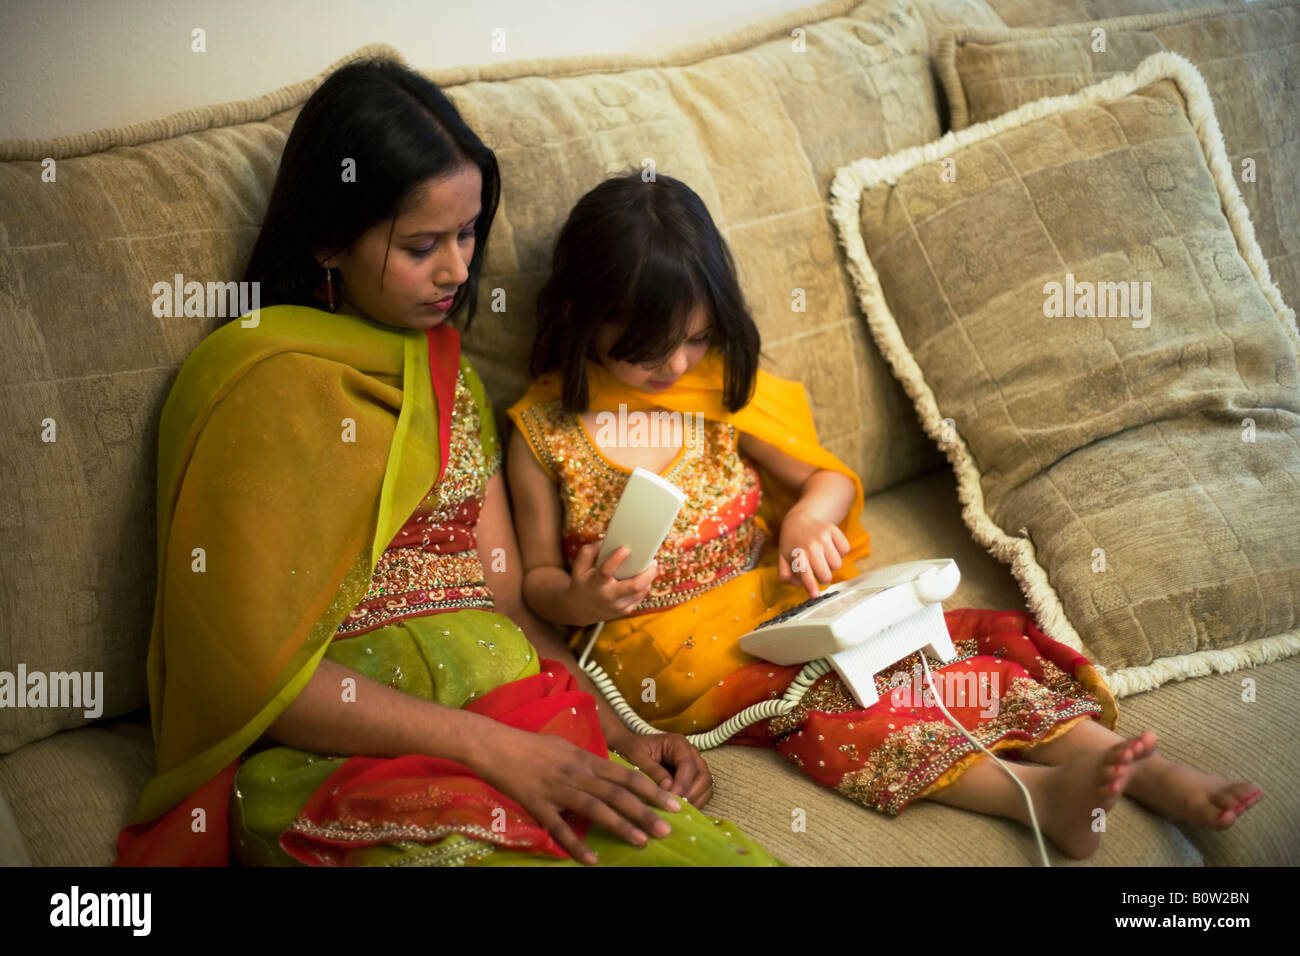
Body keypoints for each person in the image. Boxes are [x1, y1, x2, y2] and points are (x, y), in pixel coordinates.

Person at [113, 59, 781, 867]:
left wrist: (622, 733)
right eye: (422, 245)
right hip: (358, 759)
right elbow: (260, 681)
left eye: (468, 234)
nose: (459, 271)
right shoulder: (255, 382)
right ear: (328, 237)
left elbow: (512, 602)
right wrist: (493, 753)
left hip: (524, 715)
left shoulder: (447, 372)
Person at [505, 171, 1264, 860]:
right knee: (849, 707)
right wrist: (581, 599)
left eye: (696, 339)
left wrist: (808, 516)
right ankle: (1034, 796)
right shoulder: (543, 434)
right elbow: (534, 579)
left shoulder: (716, 389)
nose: (676, 368)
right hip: (683, 665)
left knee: (951, 651)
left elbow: (825, 480)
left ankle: (1150, 770)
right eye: (648, 352)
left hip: (782, 611)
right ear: (581, 317)